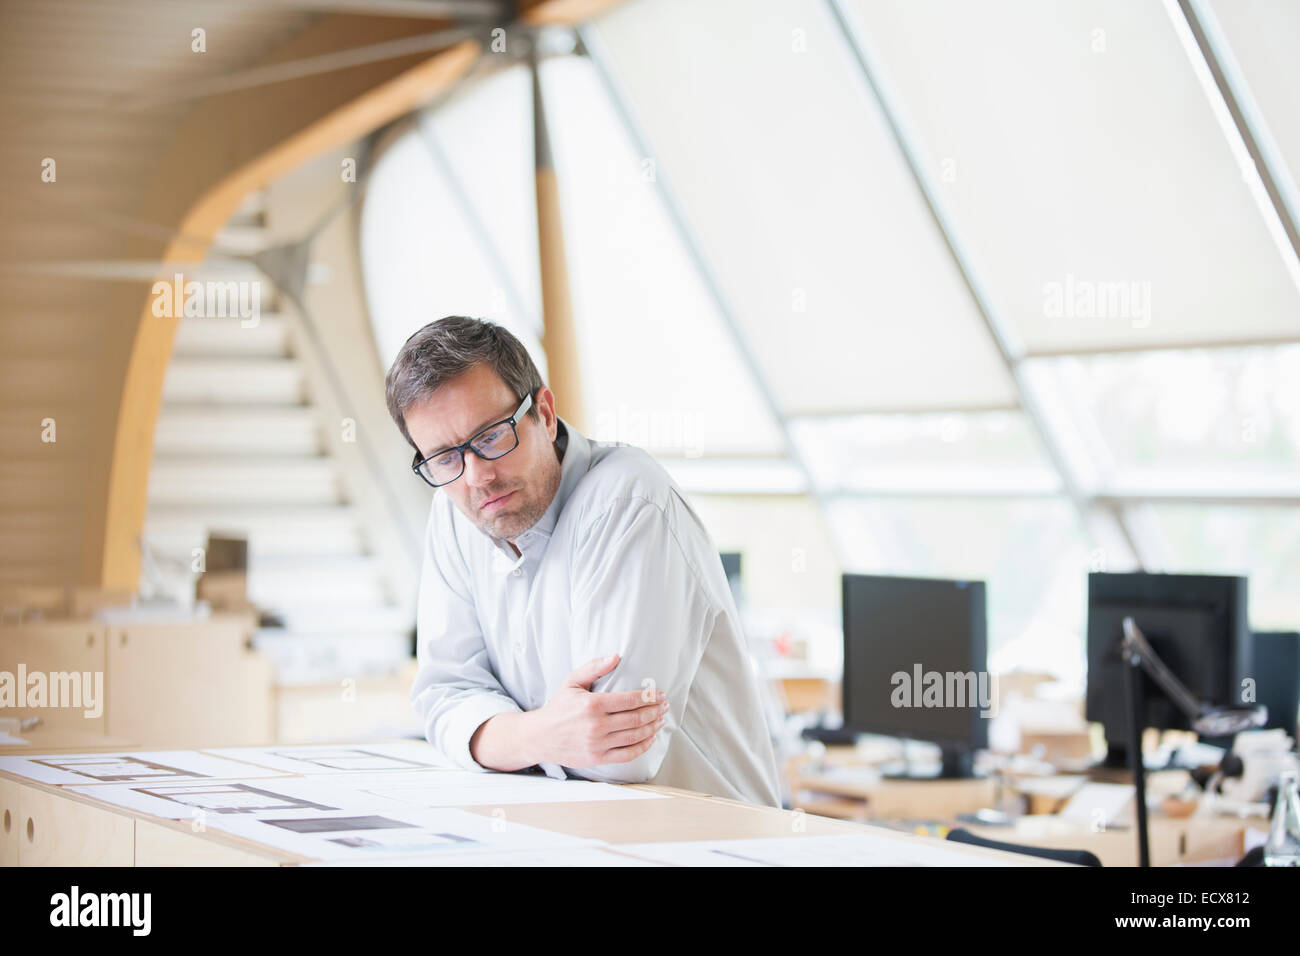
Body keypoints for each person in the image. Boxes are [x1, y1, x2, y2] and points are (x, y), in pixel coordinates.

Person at [384, 315, 781, 806]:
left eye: (490, 437)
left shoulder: (629, 502)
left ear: (544, 413)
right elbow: (442, 697)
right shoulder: (454, 510)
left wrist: (496, 735)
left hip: (710, 847)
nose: (476, 476)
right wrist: (542, 733)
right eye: (444, 457)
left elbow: (619, 754)